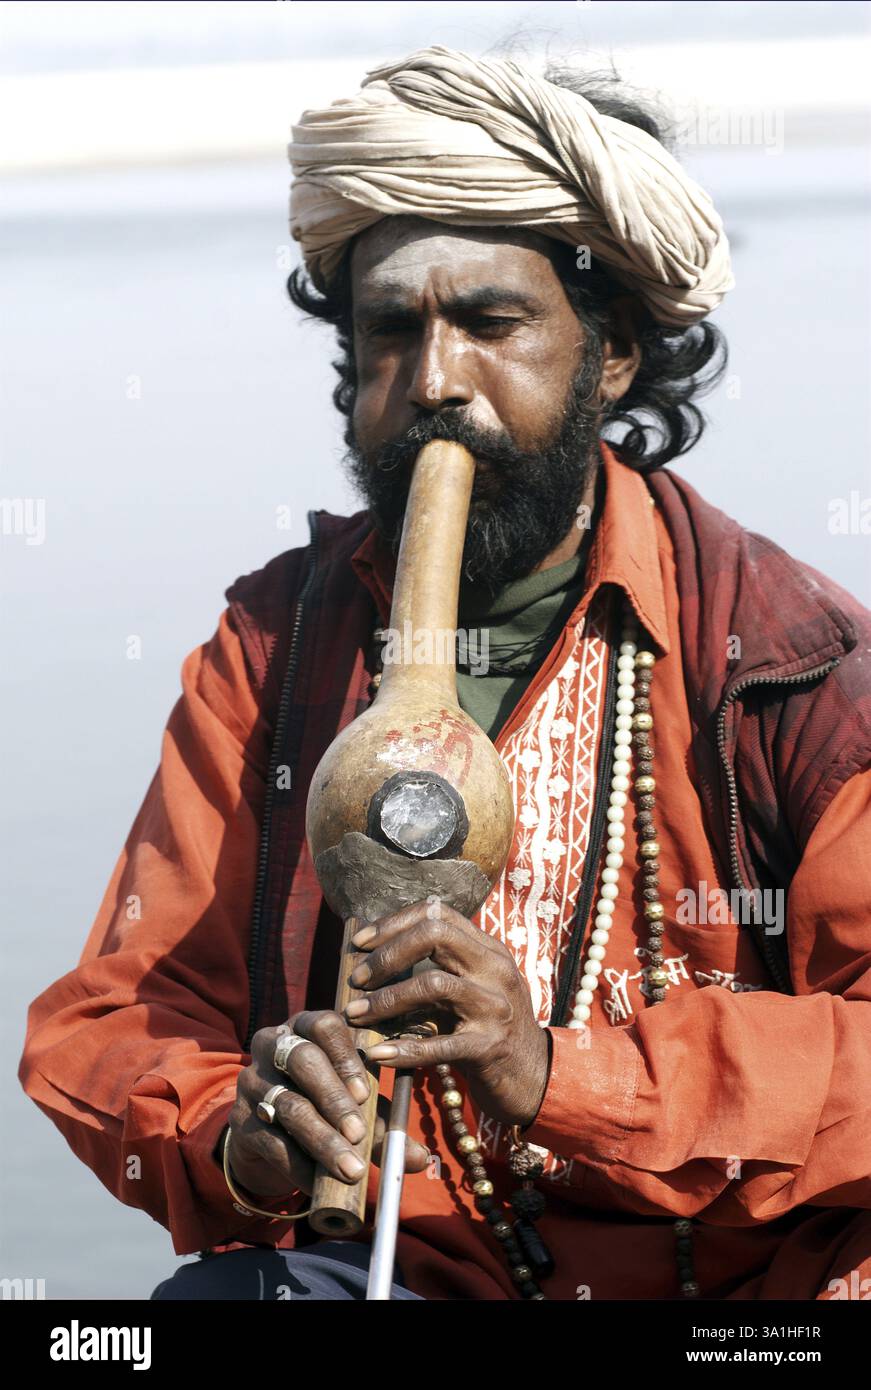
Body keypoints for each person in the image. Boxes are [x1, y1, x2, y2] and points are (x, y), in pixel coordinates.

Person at [20, 46, 871, 1302]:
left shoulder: (791, 659)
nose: (433, 382)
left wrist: (559, 1069)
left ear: (610, 354)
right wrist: (240, 1136)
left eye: (489, 324)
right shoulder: (273, 650)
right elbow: (112, 1019)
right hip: (408, 1273)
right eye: (391, 331)